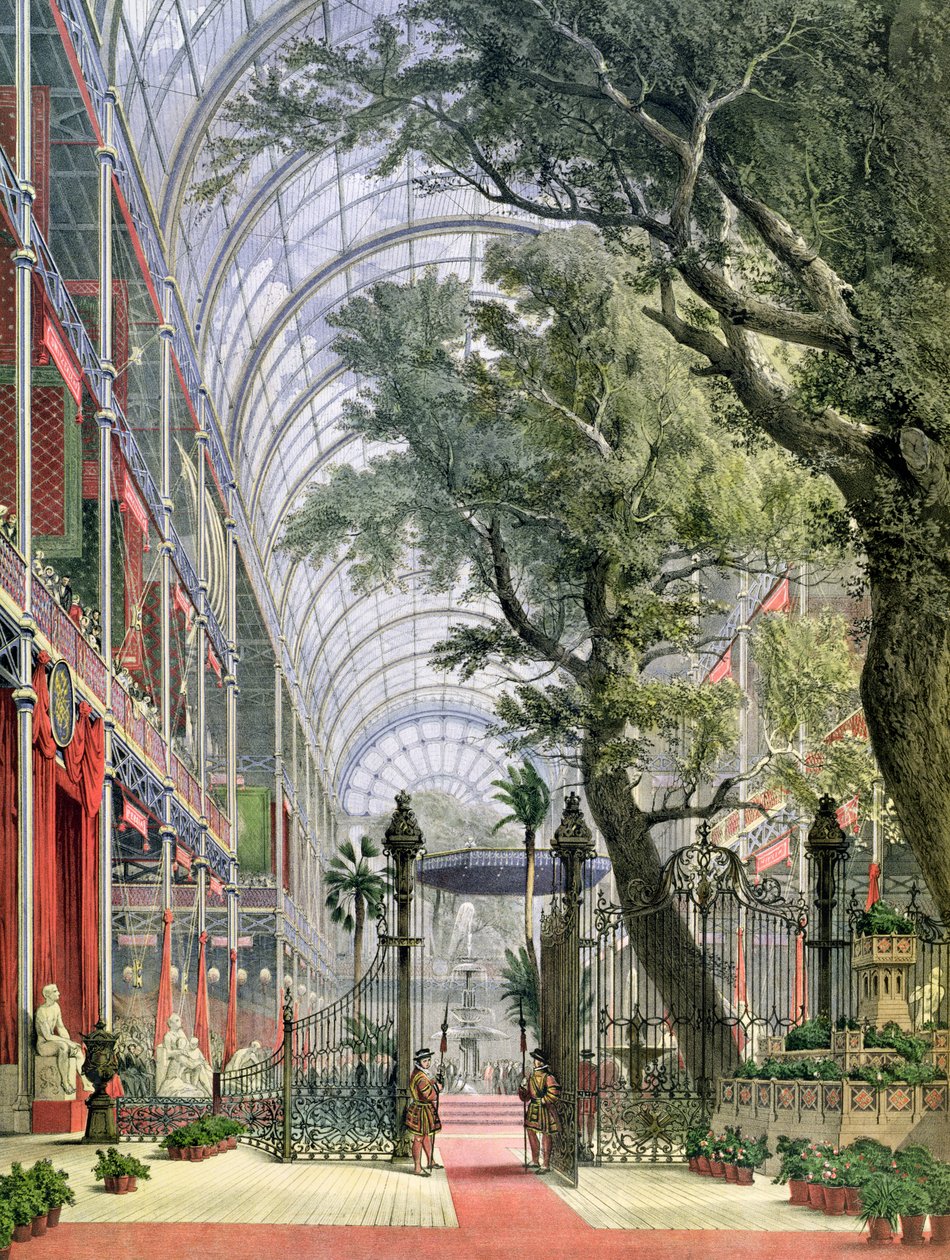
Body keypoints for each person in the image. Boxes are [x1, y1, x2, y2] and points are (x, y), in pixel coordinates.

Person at [34, 984, 84, 1093]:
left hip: (53, 1042)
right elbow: (47, 1036)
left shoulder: (56, 1006)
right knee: (63, 1047)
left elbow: (60, 1027)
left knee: (78, 1050)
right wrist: (68, 1042)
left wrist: (71, 1043)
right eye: (55, 991)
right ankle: (65, 1082)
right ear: (47, 995)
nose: (59, 993)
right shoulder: (41, 1012)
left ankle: (86, 1081)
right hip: (43, 1046)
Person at [519, 1048, 560, 1174]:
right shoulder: (531, 1077)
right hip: (533, 1109)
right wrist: (522, 1087)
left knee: (546, 1135)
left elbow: (554, 1094)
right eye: (534, 1060)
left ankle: (546, 1164)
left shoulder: (549, 1077)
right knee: (531, 1132)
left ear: (541, 1062)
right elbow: (525, 1098)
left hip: (544, 1110)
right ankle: (535, 1160)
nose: (534, 1062)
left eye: (536, 1060)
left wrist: (543, 1100)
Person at [405, 1047, 443, 1176]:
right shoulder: (420, 1076)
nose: (427, 1063)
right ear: (419, 1062)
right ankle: (417, 1167)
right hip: (420, 1110)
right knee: (419, 1138)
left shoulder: (421, 1073)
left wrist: (435, 1081)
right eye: (425, 1061)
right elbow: (429, 1095)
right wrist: (437, 1088)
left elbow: (428, 1084)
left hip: (425, 1109)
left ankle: (430, 1161)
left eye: (428, 1060)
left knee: (427, 1136)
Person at [577, 1049, 598, 1159]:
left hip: (578, 1097)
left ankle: (580, 1141)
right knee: (590, 1119)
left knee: (579, 1119)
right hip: (591, 1098)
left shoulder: (577, 1067)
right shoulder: (595, 1068)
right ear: (590, 1057)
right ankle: (588, 1142)